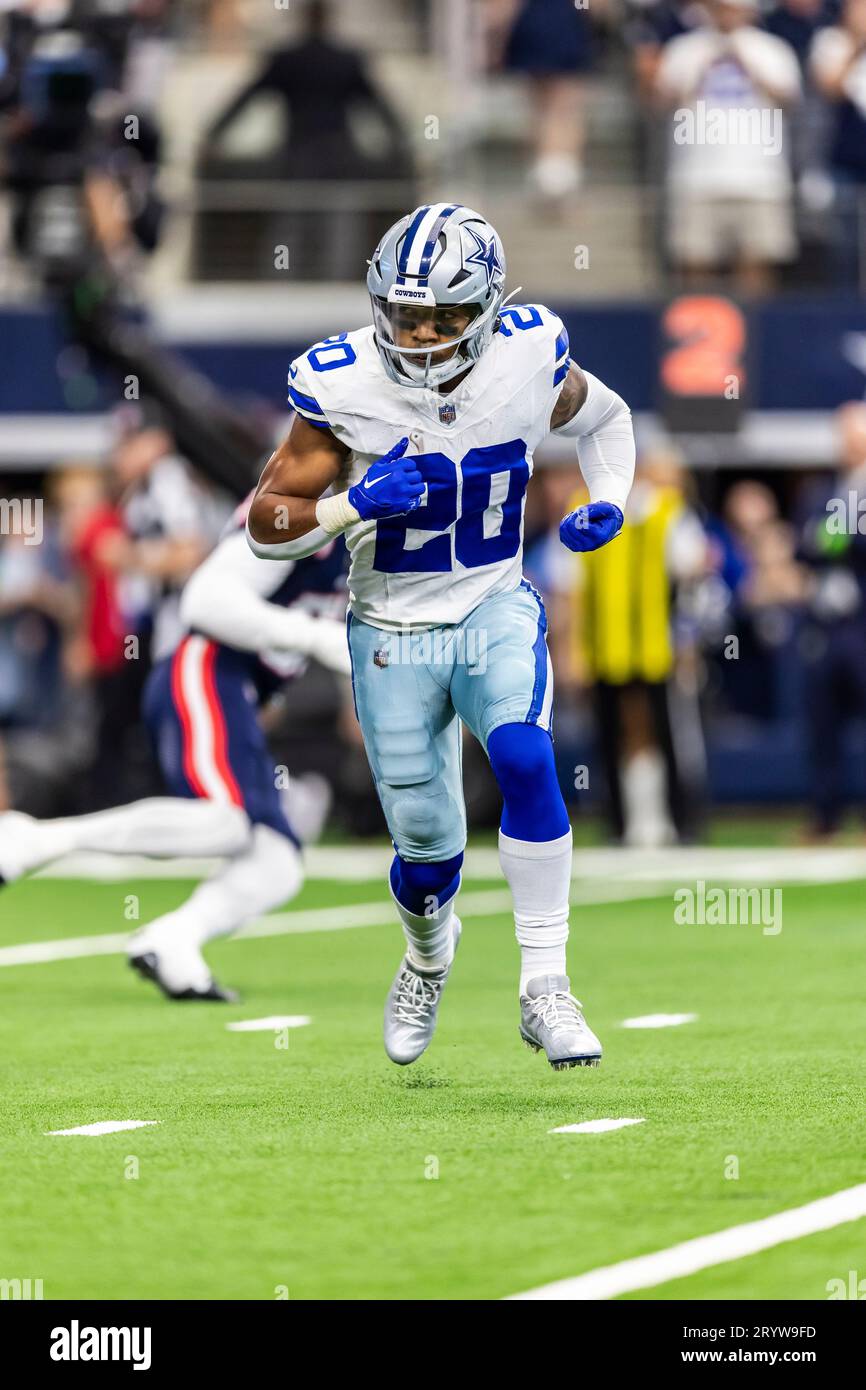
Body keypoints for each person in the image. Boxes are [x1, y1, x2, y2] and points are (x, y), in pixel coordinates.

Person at [247, 203, 635, 1070]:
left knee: (528, 758)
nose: (422, 334)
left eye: (446, 317)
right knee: (428, 857)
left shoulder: (532, 352)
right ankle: (428, 955)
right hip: (391, 629)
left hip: (493, 604)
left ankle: (546, 987)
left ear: (489, 308)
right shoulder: (342, 384)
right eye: (406, 314)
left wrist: (610, 501)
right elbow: (265, 523)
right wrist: (352, 504)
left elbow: (607, 421)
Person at [0, 502, 350, 1002]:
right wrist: (316, 638)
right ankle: (35, 839)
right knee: (226, 821)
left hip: (239, 689)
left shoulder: (360, 534)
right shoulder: (300, 507)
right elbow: (206, 602)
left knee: (278, 862)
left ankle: (174, 939)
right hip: (205, 665)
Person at [655, 0, 802, 295]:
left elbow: (790, 101)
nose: (728, 14)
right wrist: (702, 69)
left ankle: (756, 336)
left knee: (757, 262)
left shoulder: (773, 49)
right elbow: (661, 102)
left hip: (760, 178)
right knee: (694, 263)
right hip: (696, 176)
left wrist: (746, 64)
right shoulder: (684, 49)